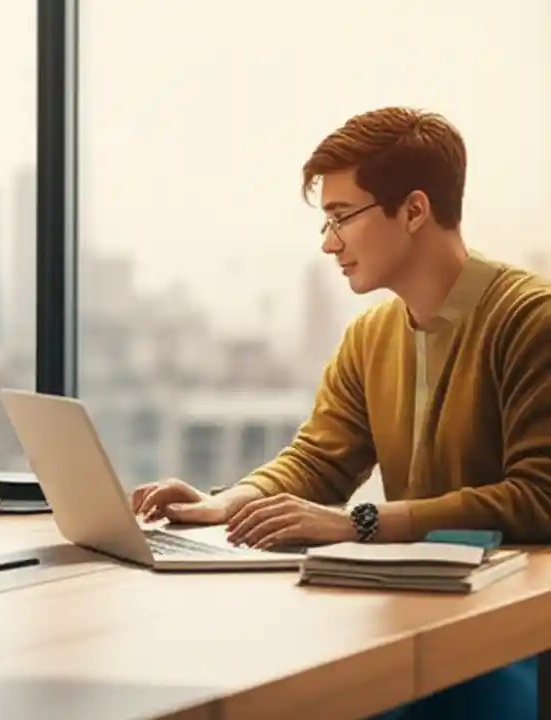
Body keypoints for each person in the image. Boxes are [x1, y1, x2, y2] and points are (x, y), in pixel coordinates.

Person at [133, 107, 547, 719]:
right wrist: (229, 502)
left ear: (413, 211)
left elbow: (539, 497)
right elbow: (318, 459)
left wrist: (362, 523)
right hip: (419, 614)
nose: (329, 243)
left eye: (340, 217)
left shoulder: (530, 319)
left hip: (507, 637)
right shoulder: (371, 336)